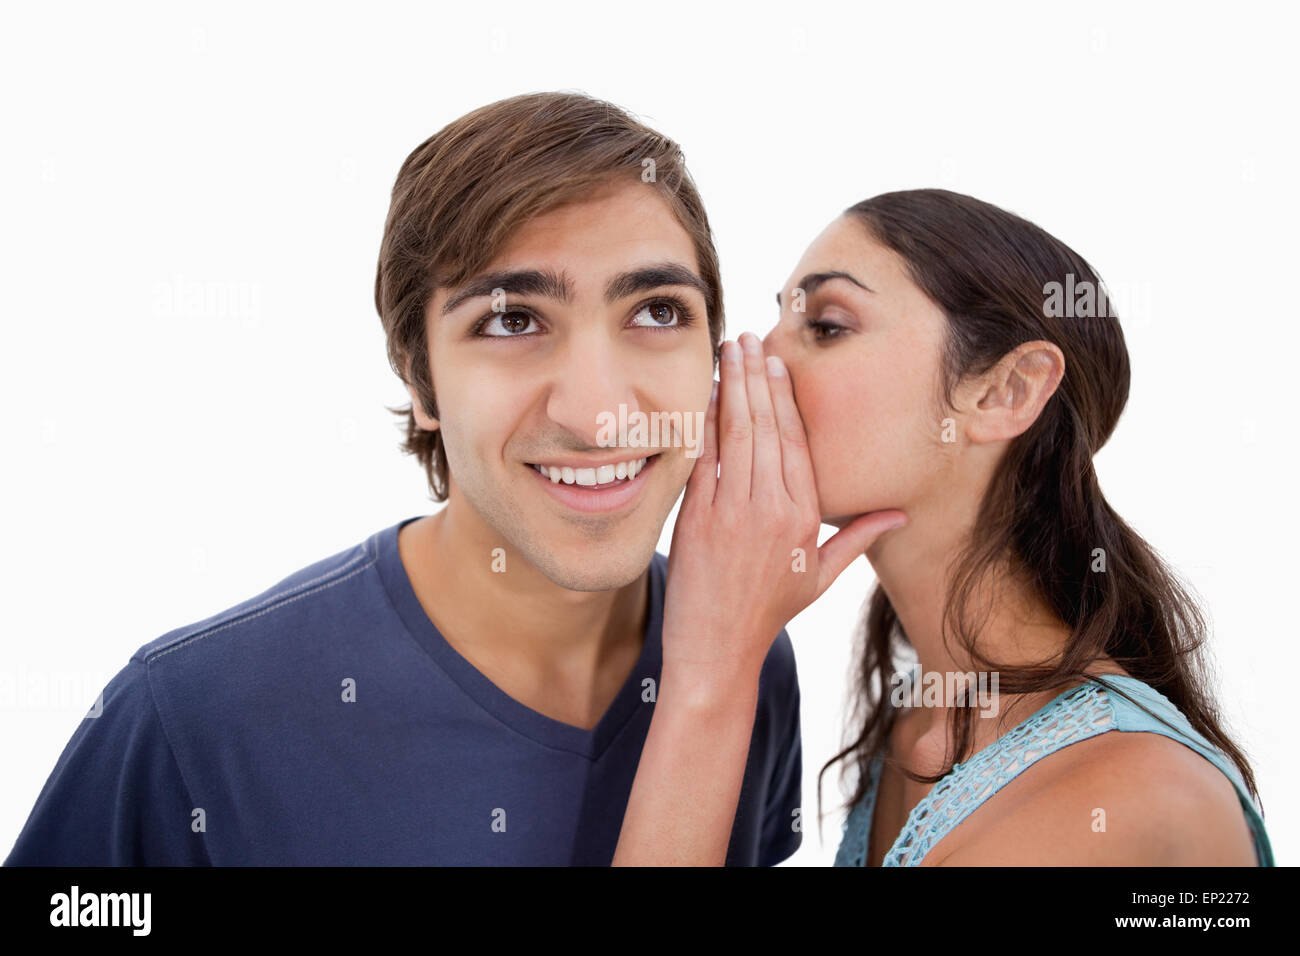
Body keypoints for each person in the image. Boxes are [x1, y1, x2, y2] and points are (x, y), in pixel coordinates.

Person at [5, 92, 804, 866]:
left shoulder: (749, 659)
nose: (599, 415)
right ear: (420, 379)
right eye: (511, 320)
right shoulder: (189, 717)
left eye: (658, 311)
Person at [614, 188, 1274, 866]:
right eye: (777, 318)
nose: (747, 359)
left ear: (1005, 392)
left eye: (828, 325)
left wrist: (714, 665)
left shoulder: (1129, 794)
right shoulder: (914, 734)